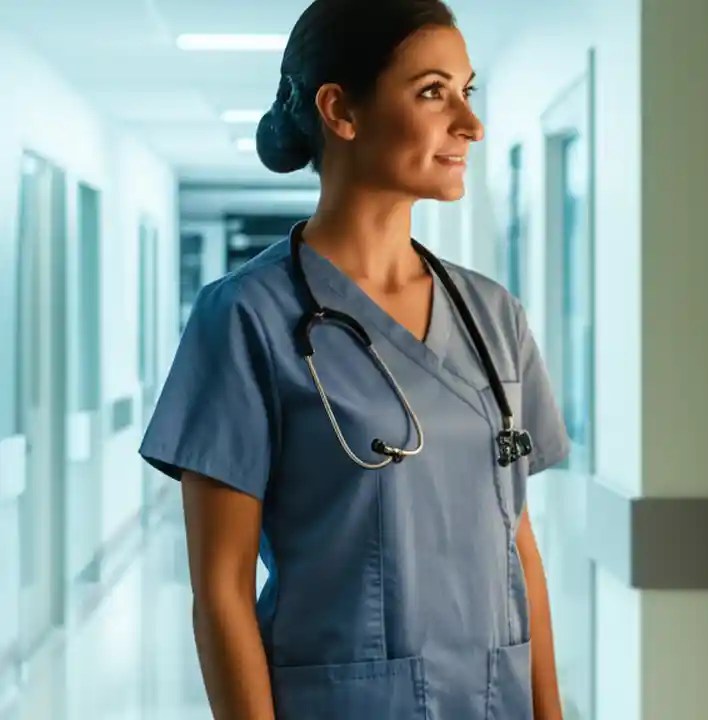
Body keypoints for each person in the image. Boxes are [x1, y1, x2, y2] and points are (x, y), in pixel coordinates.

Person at [138, 1, 570, 717]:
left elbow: (517, 546)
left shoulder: (493, 315)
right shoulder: (245, 317)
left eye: (468, 92)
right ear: (341, 110)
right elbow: (220, 591)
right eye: (433, 92)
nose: (470, 124)